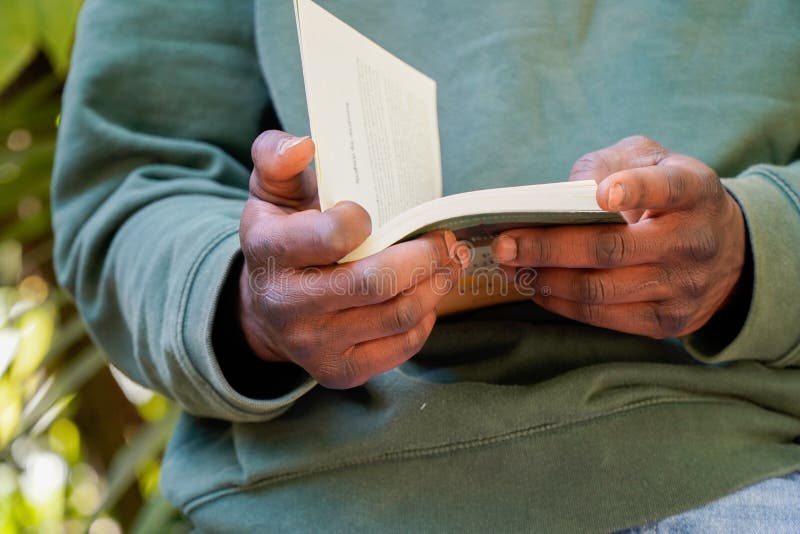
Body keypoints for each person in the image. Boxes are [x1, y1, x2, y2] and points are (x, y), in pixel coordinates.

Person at [52, 1, 800, 531]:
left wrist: (753, 245)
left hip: (740, 460)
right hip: (332, 495)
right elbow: (131, 186)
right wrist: (254, 306)